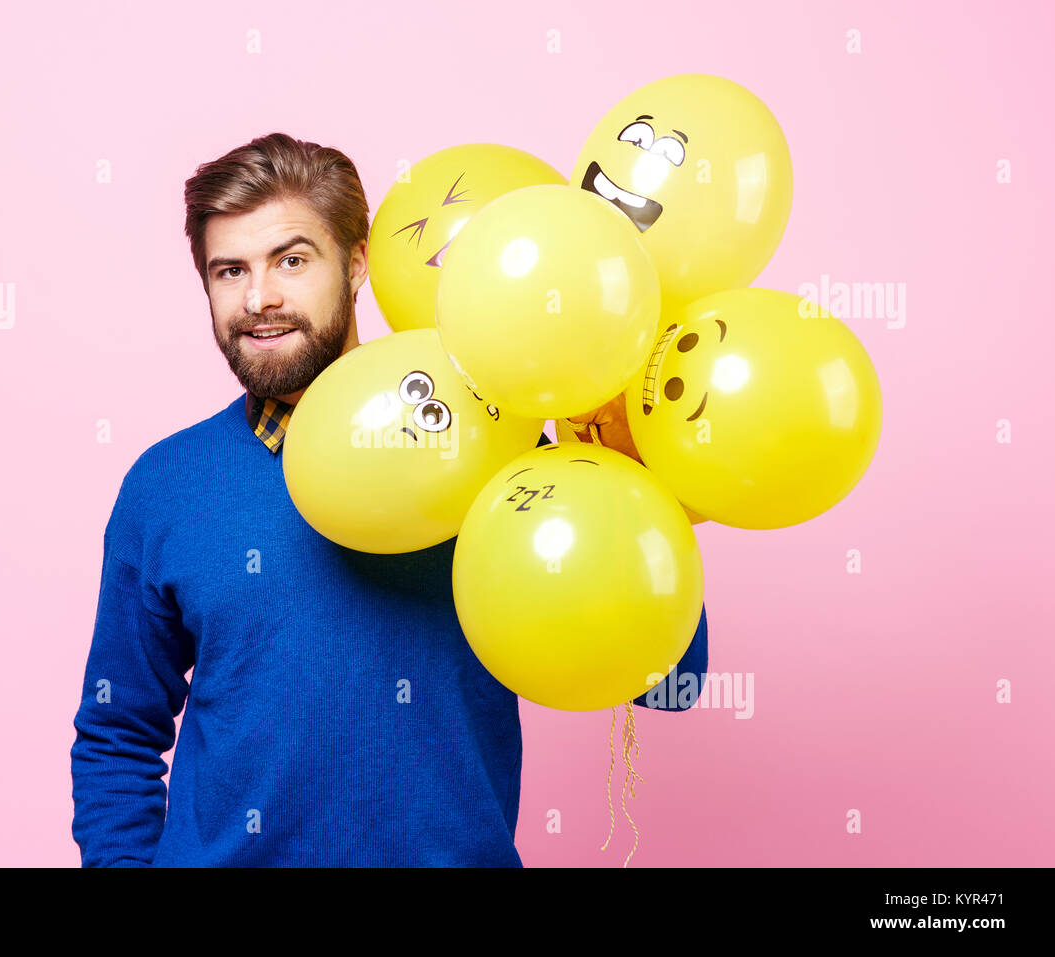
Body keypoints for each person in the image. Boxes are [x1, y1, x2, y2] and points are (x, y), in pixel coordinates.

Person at [69, 132, 710, 868]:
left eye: (292, 260)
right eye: (229, 270)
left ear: (358, 264)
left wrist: (634, 483)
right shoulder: (167, 487)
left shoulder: (505, 463)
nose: (259, 297)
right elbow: (118, 733)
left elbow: (669, 682)